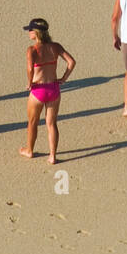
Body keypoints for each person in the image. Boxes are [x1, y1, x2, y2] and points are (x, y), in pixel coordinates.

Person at [20, 18, 75, 164]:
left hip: (39, 90)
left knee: (33, 122)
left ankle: (29, 150)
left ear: (36, 32)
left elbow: (30, 68)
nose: (28, 33)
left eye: (30, 30)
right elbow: (71, 62)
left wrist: (29, 82)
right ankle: (52, 156)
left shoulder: (32, 50)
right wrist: (63, 78)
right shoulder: (55, 47)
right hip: (53, 89)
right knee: (51, 123)